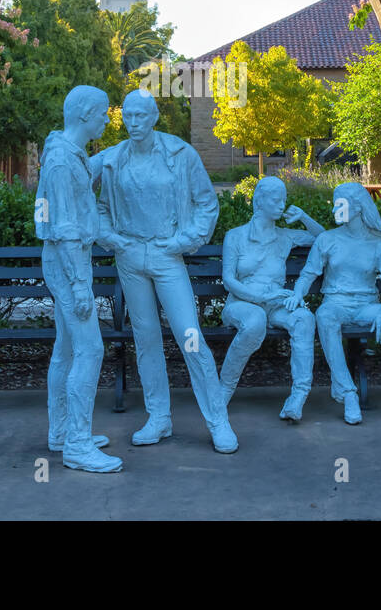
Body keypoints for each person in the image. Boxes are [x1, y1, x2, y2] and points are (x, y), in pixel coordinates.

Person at [92, 89, 238, 453]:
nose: (133, 123)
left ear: (154, 116)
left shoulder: (179, 154)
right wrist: (112, 238)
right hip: (129, 256)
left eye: (140, 116)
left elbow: (207, 204)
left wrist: (183, 241)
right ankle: (159, 417)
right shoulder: (114, 160)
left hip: (166, 254)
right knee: (146, 340)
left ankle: (218, 421)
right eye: (127, 116)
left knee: (190, 336)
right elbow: (98, 204)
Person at [36, 85, 121, 473]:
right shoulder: (60, 162)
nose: (107, 118)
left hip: (64, 260)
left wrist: (109, 157)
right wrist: (81, 286)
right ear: (85, 114)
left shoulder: (71, 154)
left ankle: (61, 431)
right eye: (103, 112)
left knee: (66, 349)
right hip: (69, 262)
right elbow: (66, 229)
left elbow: (85, 175)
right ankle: (77, 445)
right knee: (91, 350)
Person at [289, 182, 381, 425]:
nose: (335, 208)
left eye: (341, 204)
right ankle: (347, 393)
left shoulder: (380, 244)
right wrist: (297, 294)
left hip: (368, 305)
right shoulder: (327, 240)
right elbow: (308, 274)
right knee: (324, 316)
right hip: (336, 304)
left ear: (357, 207)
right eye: (334, 203)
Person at [220, 177, 324, 421]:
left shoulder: (286, 236)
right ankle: (222, 391)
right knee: (255, 319)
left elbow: (325, 240)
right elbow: (228, 280)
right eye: (276, 200)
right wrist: (261, 296)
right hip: (241, 304)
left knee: (303, 318)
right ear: (259, 202)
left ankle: (297, 398)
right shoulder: (235, 236)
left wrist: (304, 218)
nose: (281, 205)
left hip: (275, 305)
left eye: (284, 200)